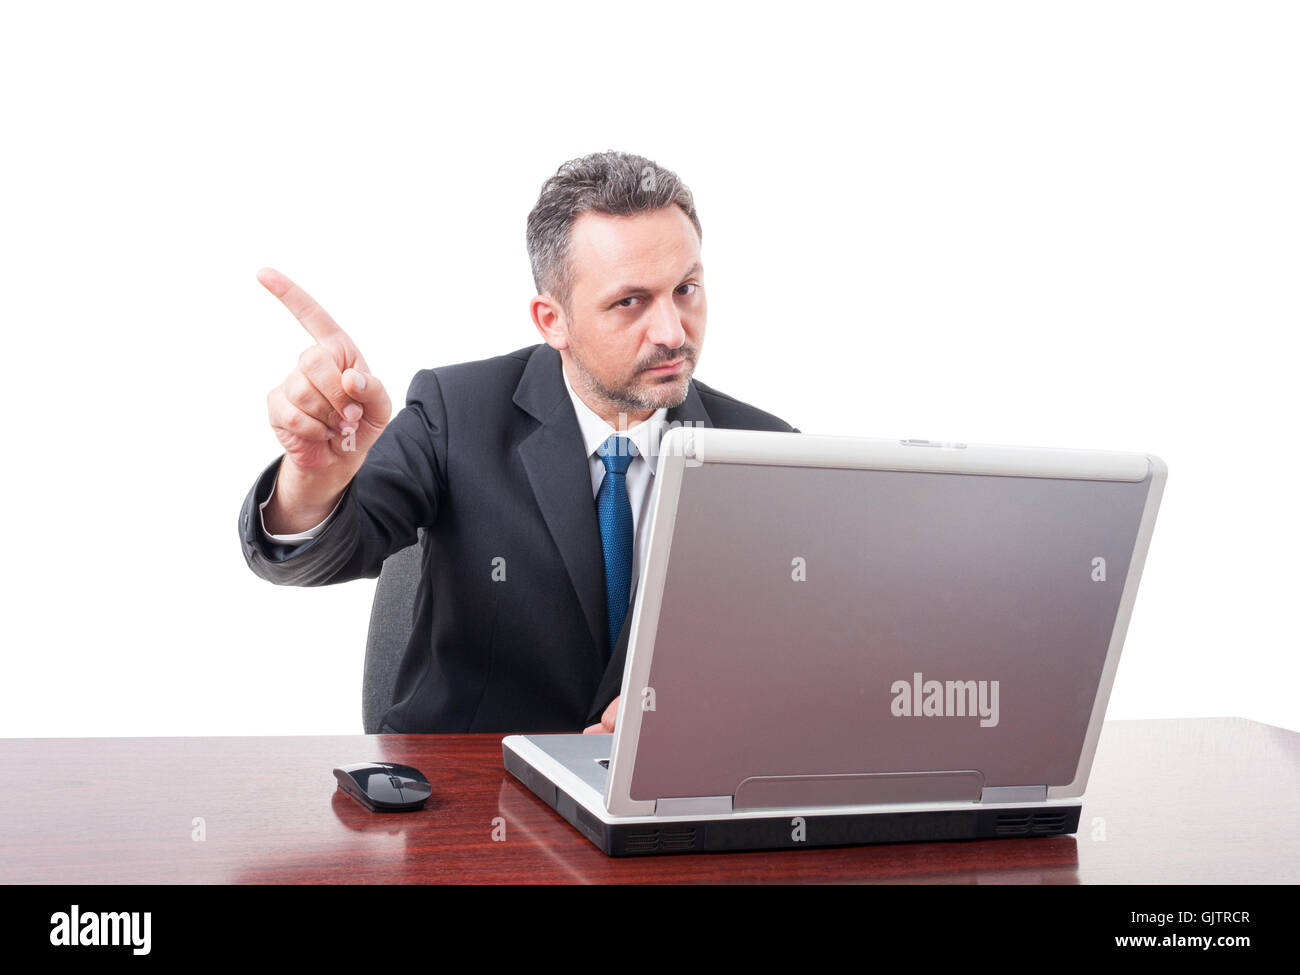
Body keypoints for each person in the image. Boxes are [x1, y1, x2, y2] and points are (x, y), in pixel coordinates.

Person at [238, 150, 798, 734]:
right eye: (630, 302)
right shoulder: (456, 412)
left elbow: (802, 659)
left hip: (666, 800)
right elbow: (325, 553)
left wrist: (703, 716)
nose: (672, 332)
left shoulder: (768, 452)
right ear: (551, 319)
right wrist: (311, 483)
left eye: (686, 289)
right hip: (471, 793)